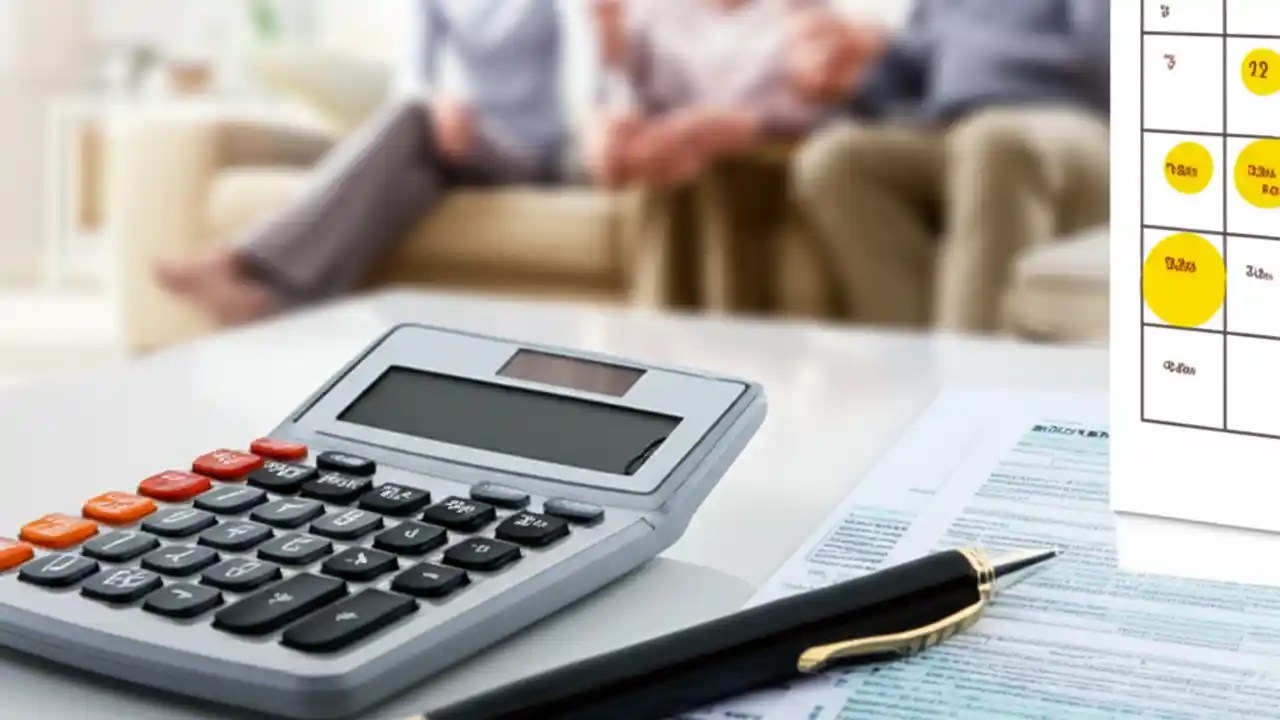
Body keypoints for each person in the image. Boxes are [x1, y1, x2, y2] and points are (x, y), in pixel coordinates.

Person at [156, 0, 576, 325]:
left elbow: (584, 73)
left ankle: (241, 260)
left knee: (411, 117)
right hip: (456, 141)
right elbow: (413, 76)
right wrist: (442, 105)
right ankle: (282, 305)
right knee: (410, 181)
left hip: (529, 152)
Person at [788, 0, 1110, 331]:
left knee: (993, 138)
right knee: (835, 158)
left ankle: (973, 375)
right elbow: (909, 68)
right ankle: (913, 365)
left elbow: (1109, 57)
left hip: (1080, 125)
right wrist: (848, 78)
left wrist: (988, 70)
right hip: (958, 127)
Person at [589, 0, 829, 189]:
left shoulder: (803, 13)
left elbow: (829, 106)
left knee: (711, 169)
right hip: (671, 163)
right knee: (672, 166)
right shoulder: (649, 13)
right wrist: (618, 131)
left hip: (768, 158)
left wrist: (754, 124)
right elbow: (627, 95)